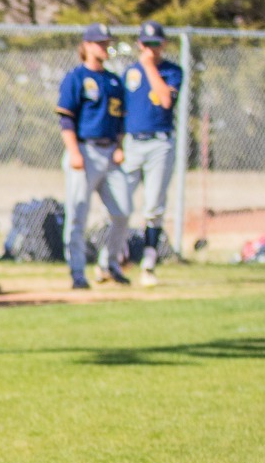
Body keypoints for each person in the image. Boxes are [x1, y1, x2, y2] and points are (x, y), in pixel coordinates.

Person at [57, 22, 132, 290]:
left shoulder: (113, 81)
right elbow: (66, 119)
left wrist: (120, 146)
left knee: (123, 211)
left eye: (106, 43)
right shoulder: (76, 78)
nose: (104, 47)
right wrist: (74, 151)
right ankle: (77, 271)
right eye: (99, 43)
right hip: (84, 150)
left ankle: (109, 263)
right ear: (86, 45)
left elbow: (120, 120)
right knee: (78, 213)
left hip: (109, 152)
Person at [121, 20, 182, 286]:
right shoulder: (129, 73)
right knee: (120, 203)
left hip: (159, 142)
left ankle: (148, 264)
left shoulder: (171, 71)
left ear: (164, 44)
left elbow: (166, 100)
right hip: (132, 142)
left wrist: (149, 67)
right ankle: (114, 259)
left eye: (155, 43)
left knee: (153, 206)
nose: (150, 48)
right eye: (146, 44)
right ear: (139, 44)